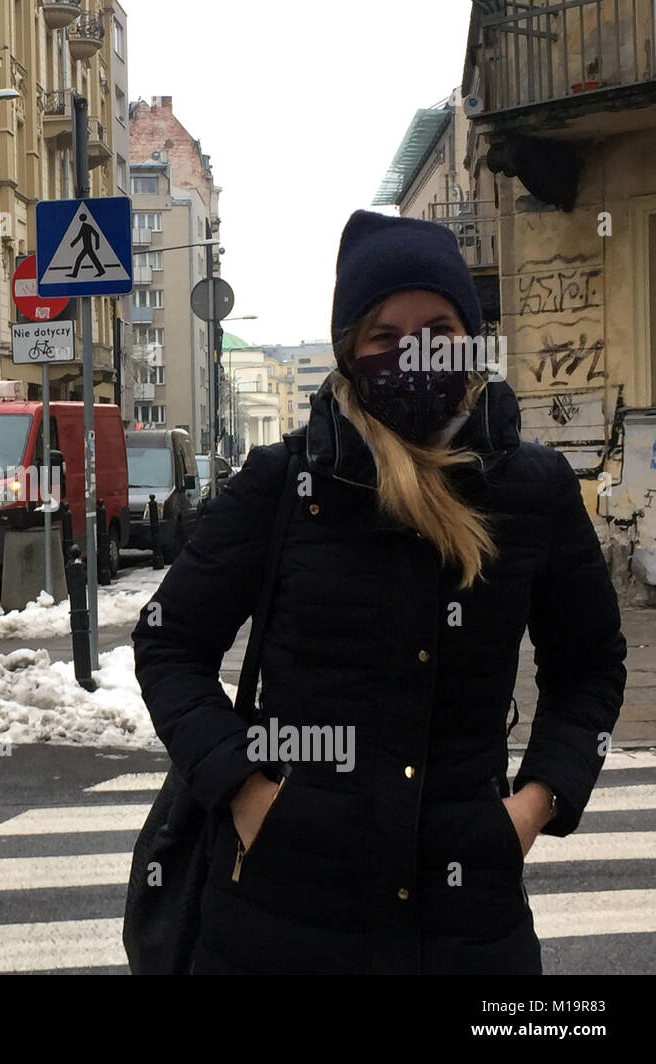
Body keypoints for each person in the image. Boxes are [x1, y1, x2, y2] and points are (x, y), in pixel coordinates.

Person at [132, 210, 626, 975]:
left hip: (468, 919)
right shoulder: (289, 484)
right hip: (280, 914)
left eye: (438, 327)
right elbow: (169, 640)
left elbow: (591, 664)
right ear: (349, 351)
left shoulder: (532, 488)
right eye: (385, 336)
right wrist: (246, 791)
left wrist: (533, 808)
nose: (415, 353)